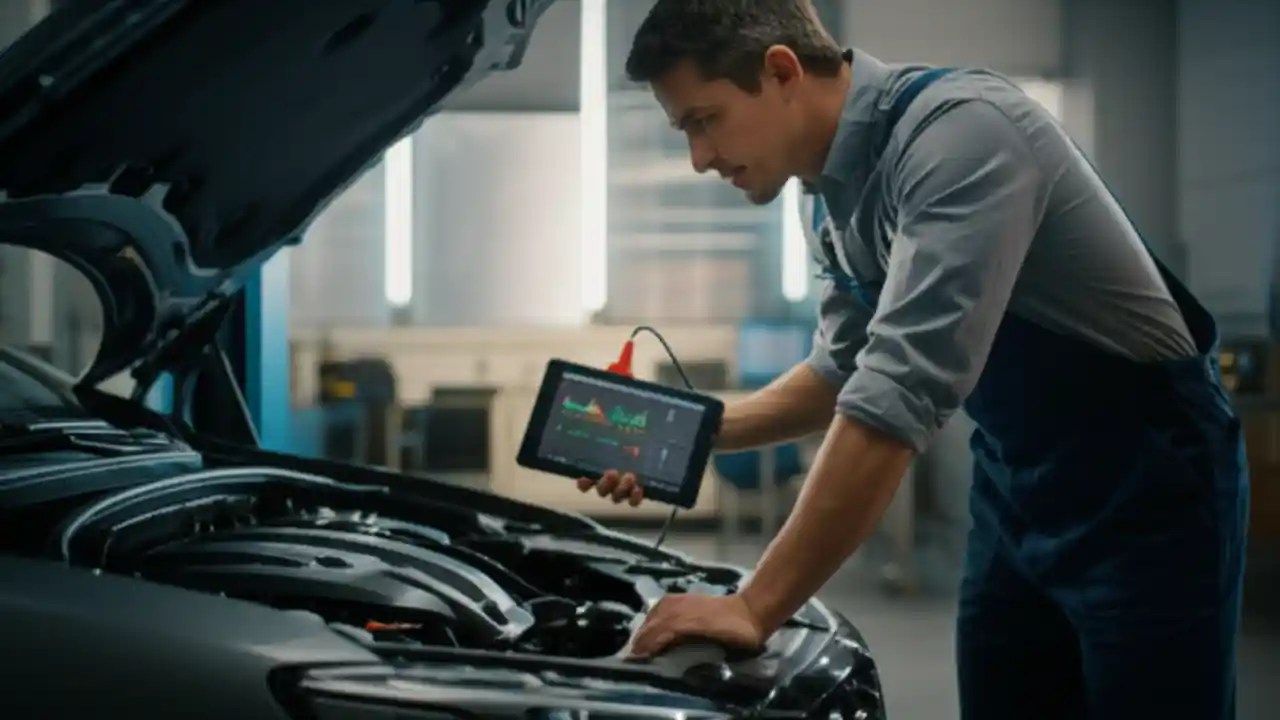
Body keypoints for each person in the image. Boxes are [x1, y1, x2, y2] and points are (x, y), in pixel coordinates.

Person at [575, 1, 1250, 718]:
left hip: (1148, 480)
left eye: (703, 121)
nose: (699, 158)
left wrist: (755, 605)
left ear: (780, 71)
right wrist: (692, 434)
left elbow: (896, 392)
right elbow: (840, 372)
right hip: (1014, 485)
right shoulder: (830, 204)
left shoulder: (963, 136)